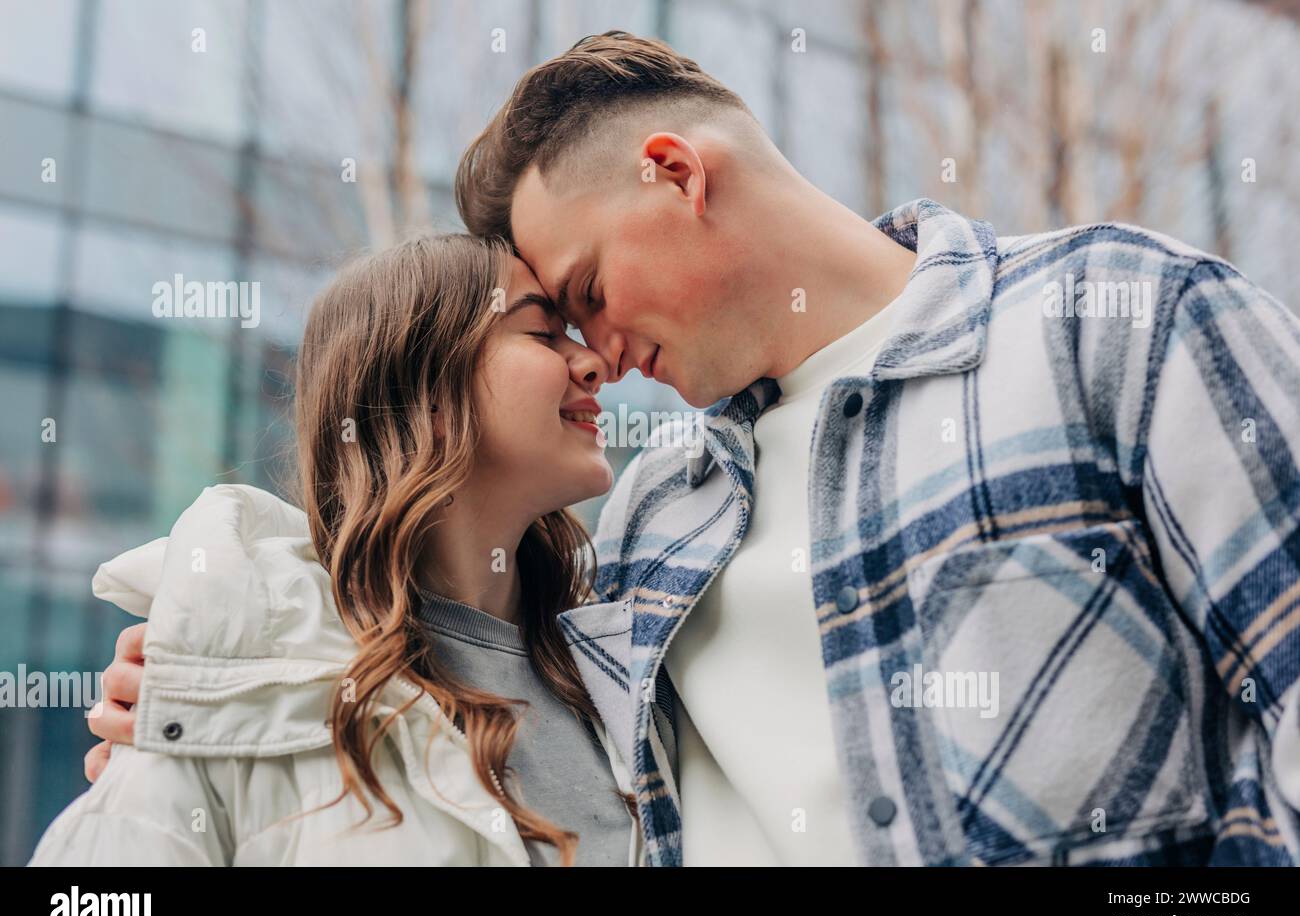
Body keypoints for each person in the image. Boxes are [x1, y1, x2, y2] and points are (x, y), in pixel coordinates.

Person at [87, 31, 1300, 867]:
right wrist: (207, 671)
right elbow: (441, 652)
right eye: (551, 327)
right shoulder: (659, 508)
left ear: (675, 174)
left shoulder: (1115, 319)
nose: (596, 356)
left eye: (586, 291)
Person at [34, 233, 651, 866]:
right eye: (542, 335)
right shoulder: (238, 690)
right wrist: (201, 698)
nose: (593, 361)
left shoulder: (630, 672)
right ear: (426, 393)